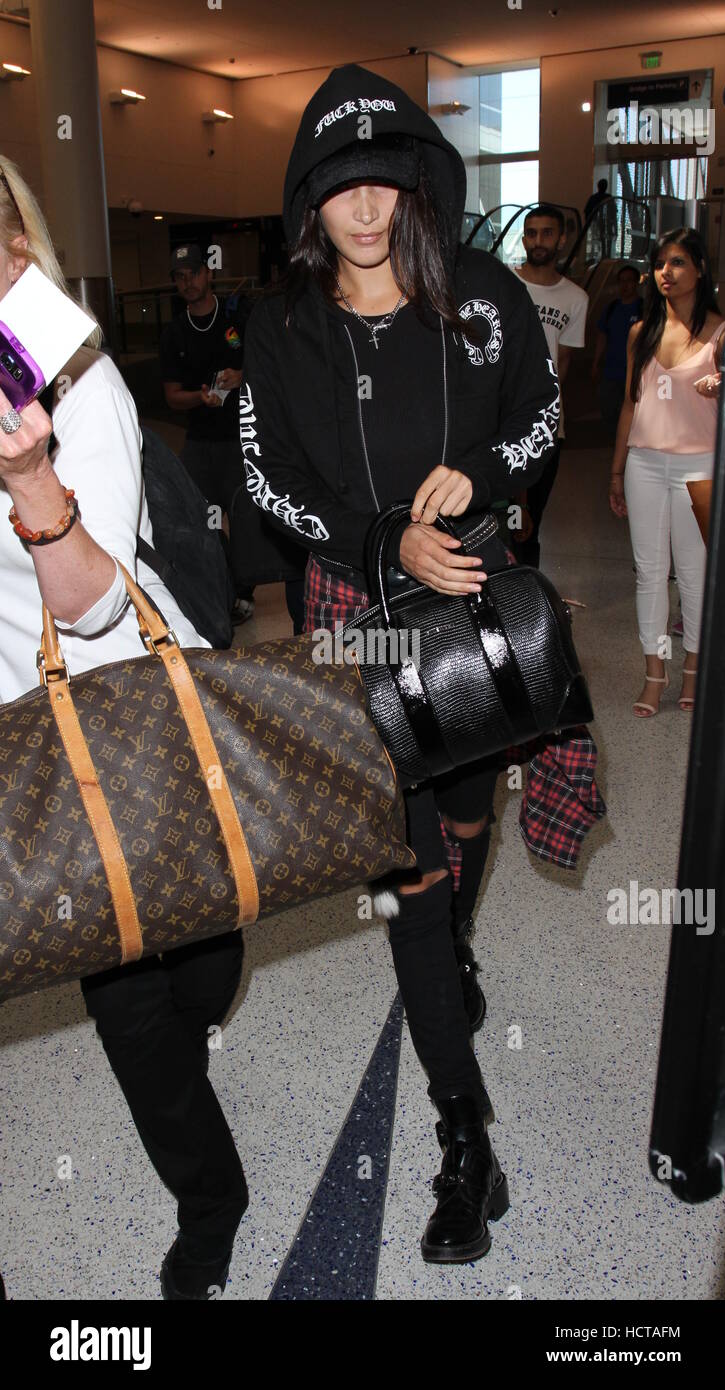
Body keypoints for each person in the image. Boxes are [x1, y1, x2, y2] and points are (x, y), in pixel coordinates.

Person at [241, 64, 559, 1263]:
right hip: (361, 612)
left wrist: (479, 473)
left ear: (415, 180)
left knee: (468, 811)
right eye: (339, 188)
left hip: (476, 604)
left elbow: (539, 416)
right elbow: (263, 483)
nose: (365, 211)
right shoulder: (283, 326)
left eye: (383, 181)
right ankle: (464, 1140)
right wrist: (381, 536)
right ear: (307, 200)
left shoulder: (480, 296)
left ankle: (456, 936)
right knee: (411, 869)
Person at [0, 158, 248, 1299]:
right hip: (30, 742)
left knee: (198, 957)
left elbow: (98, 603)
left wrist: (34, 481)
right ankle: (214, 1193)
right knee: (128, 1004)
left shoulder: (76, 384)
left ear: (13, 244)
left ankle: (203, 977)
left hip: (132, 718)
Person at [608, 227, 725, 717]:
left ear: (699, 269)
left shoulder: (722, 334)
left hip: (700, 466)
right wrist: (616, 473)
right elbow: (629, 406)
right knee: (650, 574)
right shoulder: (642, 332)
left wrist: (722, 389)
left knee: (695, 577)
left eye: (678, 263)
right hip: (646, 466)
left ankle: (694, 673)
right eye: (660, 263)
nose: (666, 272)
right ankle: (655, 672)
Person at [159, 243, 255, 623]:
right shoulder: (175, 333)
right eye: (180, 277)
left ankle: (244, 591)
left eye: (194, 273)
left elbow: (267, 368)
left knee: (245, 517)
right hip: (200, 441)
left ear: (208, 273)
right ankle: (217, 590)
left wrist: (241, 377)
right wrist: (199, 398)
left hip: (240, 437)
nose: (188, 282)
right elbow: (172, 398)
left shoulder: (237, 317)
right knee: (201, 518)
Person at [512, 204, 588, 566]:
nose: (537, 241)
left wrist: (550, 415)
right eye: (531, 233)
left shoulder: (576, 299)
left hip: (546, 428)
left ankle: (528, 609)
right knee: (503, 521)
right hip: (499, 423)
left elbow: (565, 364)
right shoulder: (504, 283)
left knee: (531, 522)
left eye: (546, 233)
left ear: (561, 240)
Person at [592, 263, 643, 438]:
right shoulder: (612, 308)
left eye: (629, 281)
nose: (625, 285)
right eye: (621, 281)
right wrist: (596, 362)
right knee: (608, 407)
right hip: (611, 371)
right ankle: (615, 440)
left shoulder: (643, 309)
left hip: (635, 372)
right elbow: (602, 336)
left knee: (632, 410)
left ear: (637, 282)